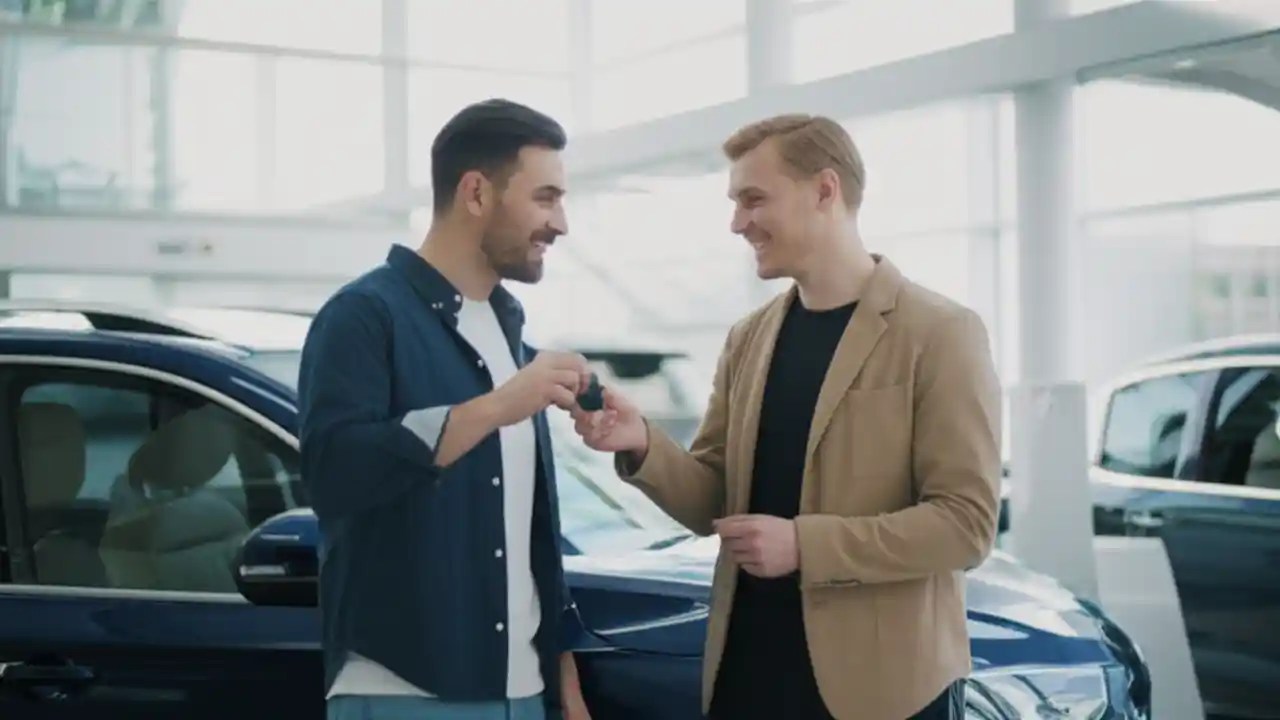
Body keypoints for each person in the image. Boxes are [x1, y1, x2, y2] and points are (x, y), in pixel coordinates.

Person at [571, 114, 1002, 720]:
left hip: (882, 693)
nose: (737, 223)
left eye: (753, 200)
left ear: (825, 191)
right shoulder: (749, 339)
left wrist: (806, 544)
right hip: (748, 673)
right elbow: (716, 502)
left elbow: (966, 524)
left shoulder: (940, 333)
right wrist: (643, 442)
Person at [299, 99, 593, 720]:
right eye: (545, 198)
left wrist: (559, 674)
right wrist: (497, 407)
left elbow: (525, 532)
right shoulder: (362, 316)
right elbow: (336, 472)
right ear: (477, 193)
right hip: (403, 690)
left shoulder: (508, 328)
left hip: (522, 691)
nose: (561, 223)